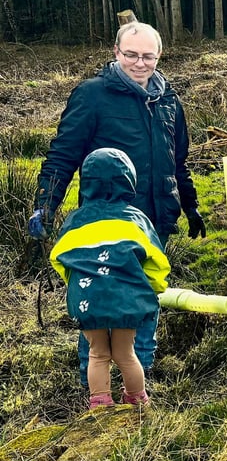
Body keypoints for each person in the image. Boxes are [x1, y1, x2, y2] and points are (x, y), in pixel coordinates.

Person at [29, 21, 203, 386]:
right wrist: (44, 205)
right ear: (116, 52)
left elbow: (178, 161)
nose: (140, 63)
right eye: (131, 55)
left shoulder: (169, 100)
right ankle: (94, 385)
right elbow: (62, 156)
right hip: (105, 225)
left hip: (154, 222)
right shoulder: (92, 95)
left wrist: (190, 205)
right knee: (102, 304)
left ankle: (137, 385)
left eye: (148, 56)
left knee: (144, 302)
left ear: (159, 56)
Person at [49, 148, 169, 409]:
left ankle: (100, 403)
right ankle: (137, 400)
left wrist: (75, 282)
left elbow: (58, 256)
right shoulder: (136, 219)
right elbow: (157, 261)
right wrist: (152, 288)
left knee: (98, 353)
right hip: (127, 297)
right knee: (126, 353)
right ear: (128, 180)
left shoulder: (76, 220)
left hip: (87, 297)